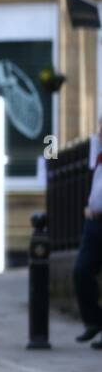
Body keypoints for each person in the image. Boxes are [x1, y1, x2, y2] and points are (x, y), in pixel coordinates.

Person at [74, 116, 102, 345]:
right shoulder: (98, 156)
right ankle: (94, 321)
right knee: (81, 271)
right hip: (93, 222)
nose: (100, 132)